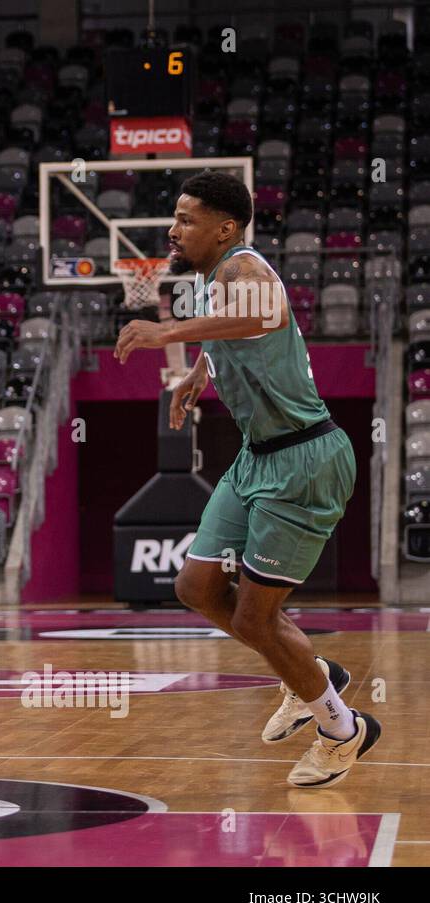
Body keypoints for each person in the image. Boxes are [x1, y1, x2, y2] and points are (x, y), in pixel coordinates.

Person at [114, 171, 379, 788]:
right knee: (195, 586)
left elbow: (266, 313)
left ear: (226, 227)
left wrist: (170, 333)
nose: (173, 230)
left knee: (256, 621)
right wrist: (199, 372)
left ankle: (342, 730)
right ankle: (312, 673)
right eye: (174, 218)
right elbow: (238, 329)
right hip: (257, 457)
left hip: (305, 460)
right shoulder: (215, 281)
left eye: (186, 219)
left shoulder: (242, 268)